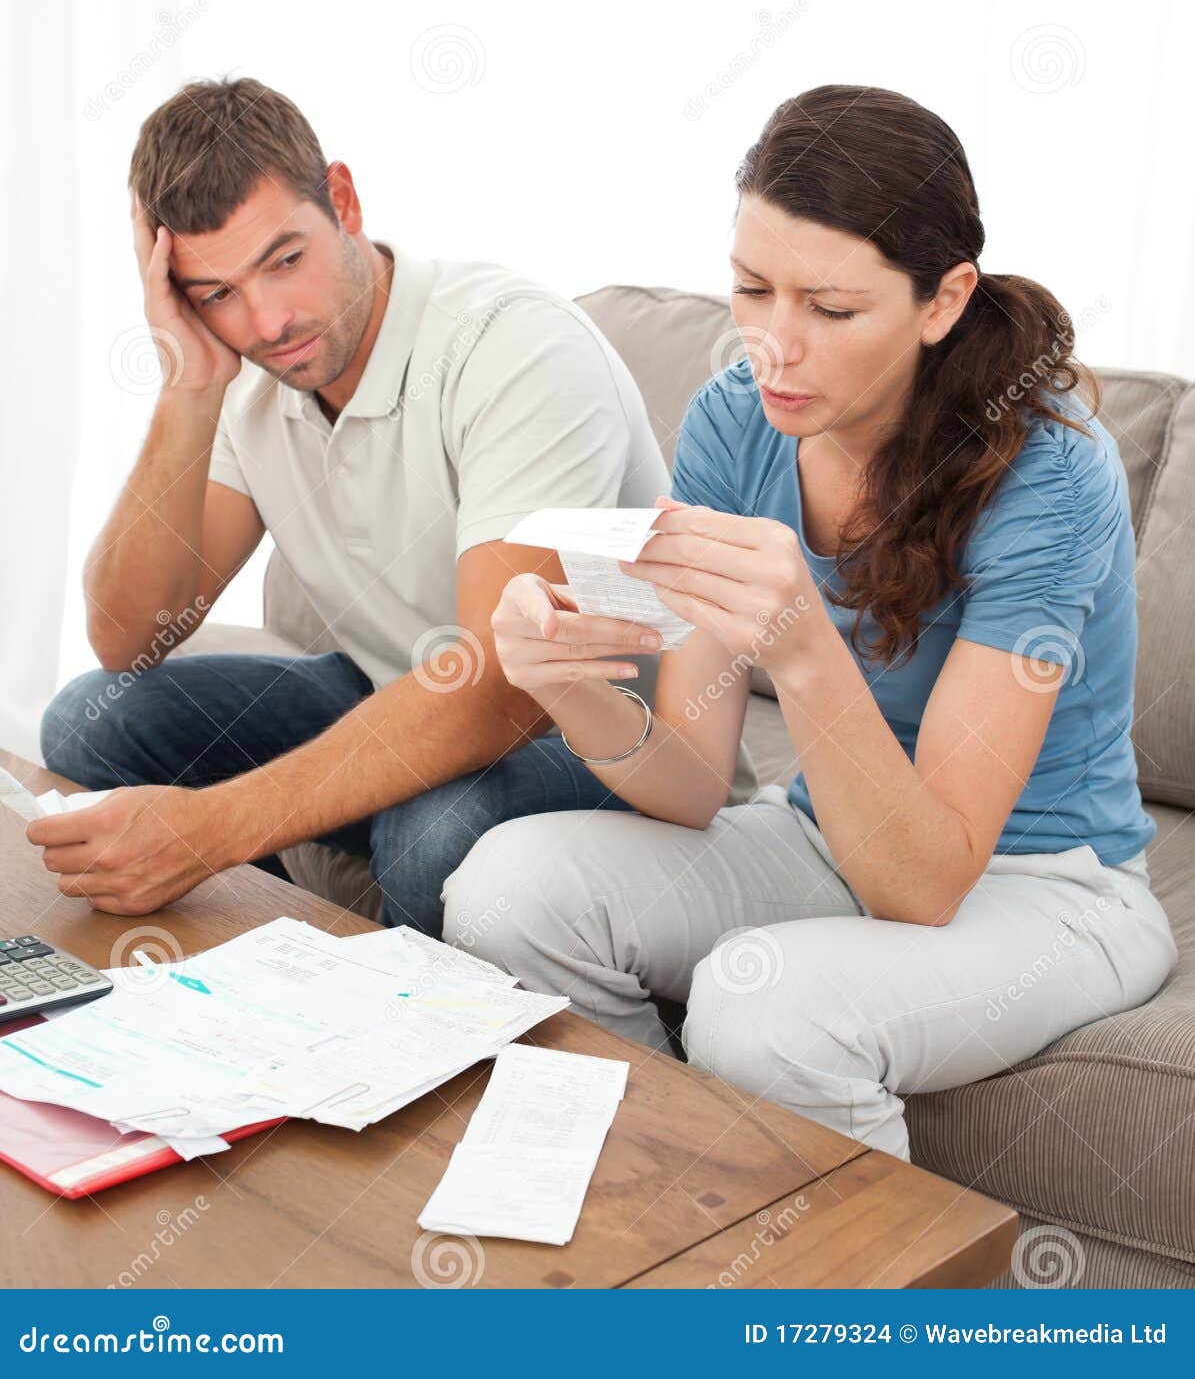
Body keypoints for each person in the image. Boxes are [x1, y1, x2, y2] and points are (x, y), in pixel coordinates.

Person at [441, 83, 1179, 1159]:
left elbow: (925, 882)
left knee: (760, 1009)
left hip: (1047, 890)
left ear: (942, 301)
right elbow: (692, 783)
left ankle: (851, 1272)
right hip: (821, 833)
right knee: (504, 888)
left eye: (829, 311)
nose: (772, 347)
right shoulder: (734, 422)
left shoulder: (1051, 474)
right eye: (751, 290)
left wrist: (800, 648)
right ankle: (657, 1197)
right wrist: (568, 687)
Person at [34, 76, 671, 934]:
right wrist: (187, 389)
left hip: (612, 742)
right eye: (217, 293)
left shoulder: (513, 347)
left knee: (430, 832)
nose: (267, 322)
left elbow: (501, 691)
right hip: (403, 690)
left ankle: (389, 1012)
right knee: (93, 721)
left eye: (283, 261)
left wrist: (209, 829)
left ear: (342, 198)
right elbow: (127, 636)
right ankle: (250, 978)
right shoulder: (246, 372)